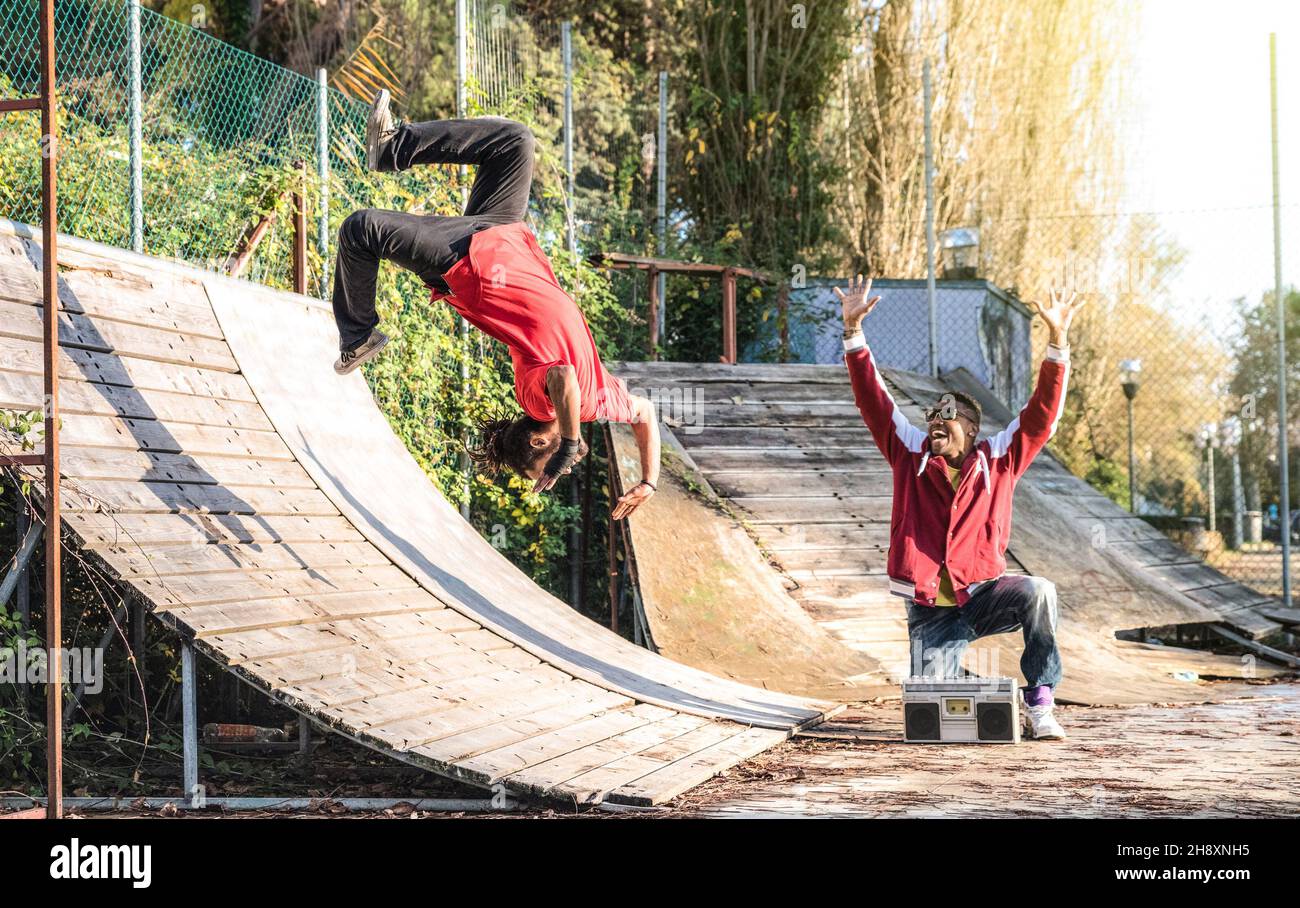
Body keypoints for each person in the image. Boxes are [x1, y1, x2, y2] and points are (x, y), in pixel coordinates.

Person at [330, 90, 658, 518]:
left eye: (548, 468)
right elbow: (645, 412)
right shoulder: (599, 402)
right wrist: (649, 479)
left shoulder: (541, 404)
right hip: (505, 235)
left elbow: (562, 376)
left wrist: (569, 443)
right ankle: (393, 148)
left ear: (540, 441)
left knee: (361, 229)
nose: (566, 469)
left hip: (470, 266)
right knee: (515, 140)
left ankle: (356, 336)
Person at [835, 275, 1085, 740]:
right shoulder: (909, 455)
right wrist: (853, 334)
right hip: (933, 608)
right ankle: (994, 691)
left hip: (985, 594)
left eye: (946, 416)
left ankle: (1040, 700)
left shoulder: (999, 458)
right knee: (933, 704)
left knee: (1040, 592)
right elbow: (874, 401)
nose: (934, 422)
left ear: (970, 429)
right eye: (930, 416)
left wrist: (1057, 342)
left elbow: (1042, 414)